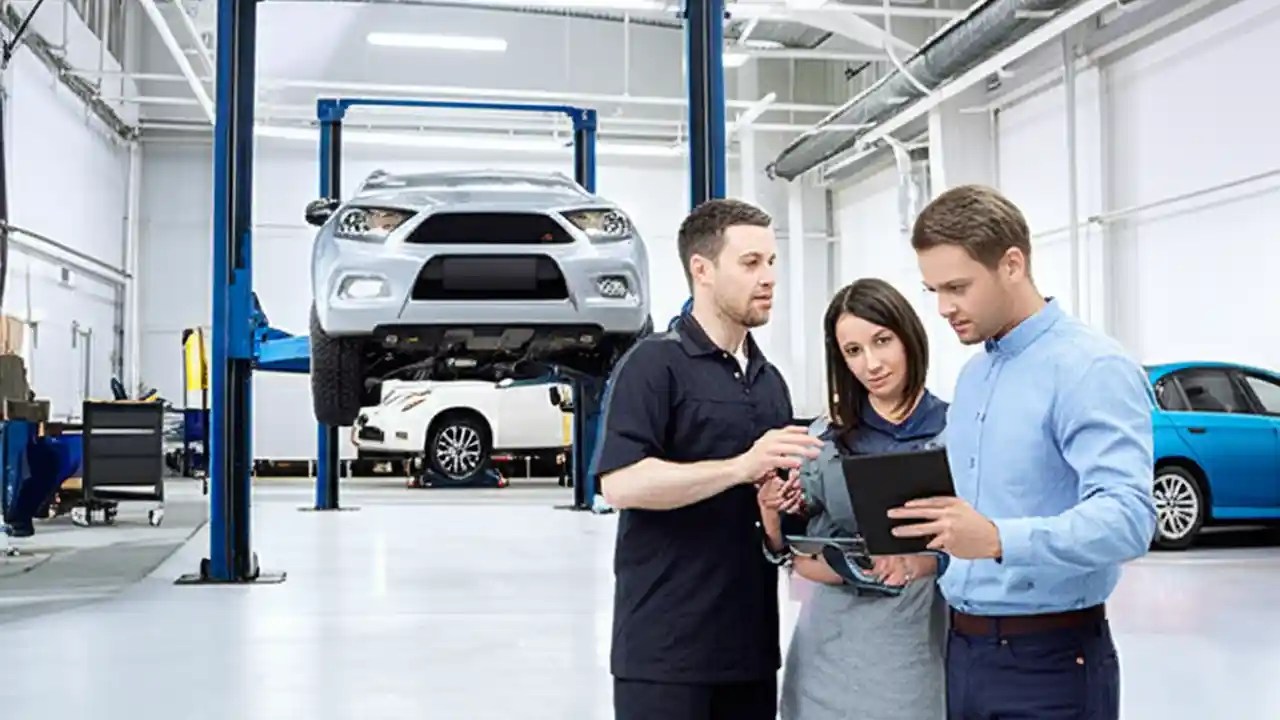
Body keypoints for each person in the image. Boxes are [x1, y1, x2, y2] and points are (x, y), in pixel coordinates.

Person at [887, 184, 1157, 719]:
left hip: (1050, 662)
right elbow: (974, 514)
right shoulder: (973, 377)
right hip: (963, 653)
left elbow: (1129, 518)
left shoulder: (1089, 368)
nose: (943, 308)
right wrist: (927, 554)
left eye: (958, 287)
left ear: (1012, 264)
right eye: (933, 290)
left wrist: (996, 539)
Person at [592, 198, 824, 720]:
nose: (768, 278)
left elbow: (772, 528)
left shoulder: (770, 383)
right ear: (702, 269)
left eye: (771, 263)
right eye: (750, 263)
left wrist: (777, 509)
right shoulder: (653, 365)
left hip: (750, 655)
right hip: (665, 657)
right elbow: (621, 484)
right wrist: (740, 468)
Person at [756, 277, 950, 720]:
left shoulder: (955, 432)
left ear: (909, 337)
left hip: (913, 652)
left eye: (882, 341)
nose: (872, 364)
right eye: (853, 351)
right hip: (827, 653)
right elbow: (792, 553)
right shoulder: (822, 439)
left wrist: (924, 562)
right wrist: (773, 514)